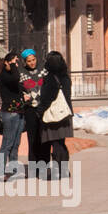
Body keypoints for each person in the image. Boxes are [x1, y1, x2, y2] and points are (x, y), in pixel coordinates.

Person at [33, 50, 74, 180]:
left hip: (53, 116)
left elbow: (46, 99)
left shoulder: (49, 79)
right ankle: (64, 171)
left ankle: (57, 172)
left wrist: (39, 112)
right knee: (61, 143)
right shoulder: (66, 78)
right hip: (65, 114)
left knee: (55, 144)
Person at [0, 52, 26, 179]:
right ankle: (0, 174)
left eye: (16, 63)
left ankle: (13, 171)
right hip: (8, 113)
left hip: (19, 113)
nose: (15, 65)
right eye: (12, 62)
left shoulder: (13, 75)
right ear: (6, 62)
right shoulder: (3, 77)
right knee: (7, 143)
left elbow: (19, 87)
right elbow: (15, 78)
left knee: (16, 143)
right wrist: (13, 66)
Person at [18, 48, 47, 174]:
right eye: (29, 61)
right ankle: (33, 167)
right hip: (30, 110)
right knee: (32, 138)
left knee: (44, 137)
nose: (32, 63)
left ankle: (44, 166)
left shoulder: (43, 71)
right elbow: (18, 89)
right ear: (25, 62)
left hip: (43, 109)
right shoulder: (22, 74)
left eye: (33, 59)